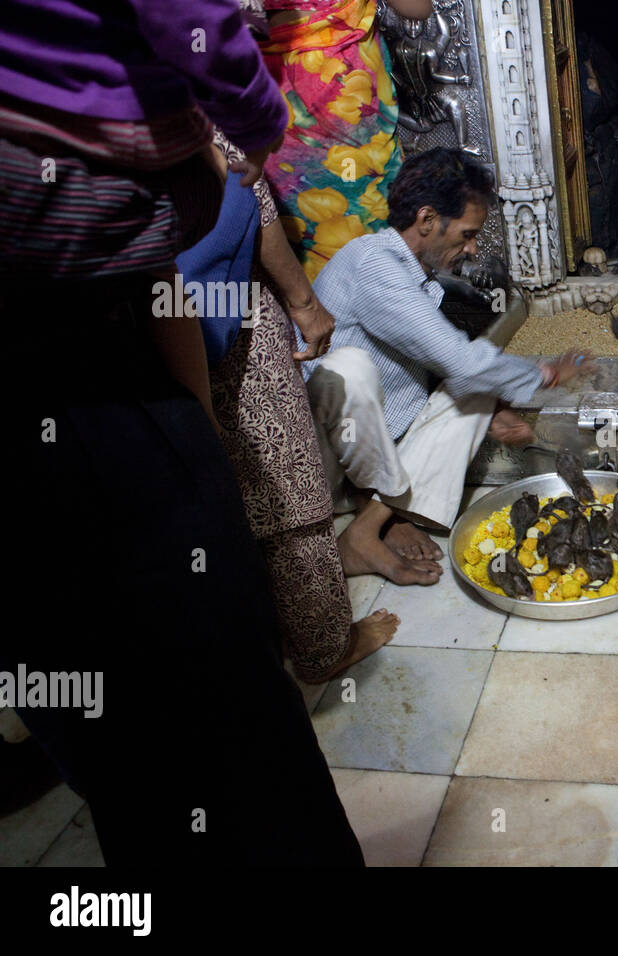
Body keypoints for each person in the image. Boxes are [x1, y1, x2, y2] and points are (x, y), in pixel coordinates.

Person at [1, 0, 363, 863]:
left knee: (136, 750)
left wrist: (200, 449)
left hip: (124, 363)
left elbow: (172, 269)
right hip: (93, 394)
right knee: (215, 728)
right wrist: (255, 116)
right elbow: (202, 41)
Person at [303, 147, 591, 584]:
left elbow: (447, 362)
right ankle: (375, 514)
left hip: (380, 451)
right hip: (325, 459)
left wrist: (493, 403)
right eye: (467, 234)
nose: (472, 248)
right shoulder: (374, 266)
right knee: (350, 368)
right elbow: (458, 359)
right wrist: (544, 375)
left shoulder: (419, 277)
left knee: (477, 389)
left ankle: (373, 520)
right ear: (426, 220)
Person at [206, 128, 400, 683]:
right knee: (287, 492)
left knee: (221, 488)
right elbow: (254, 202)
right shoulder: (198, 113)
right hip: (230, 312)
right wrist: (303, 302)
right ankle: (322, 648)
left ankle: (256, 631)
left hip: (137, 321)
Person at [257, 0, 435, 280]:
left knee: (302, 247)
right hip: (352, 133)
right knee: (381, 251)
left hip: (274, 129)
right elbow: (418, 8)